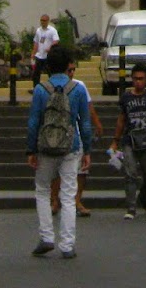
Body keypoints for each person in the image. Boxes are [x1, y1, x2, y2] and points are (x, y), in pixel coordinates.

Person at [26, 45, 94, 259]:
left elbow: (33, 122)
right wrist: (87, 150)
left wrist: (31, 149)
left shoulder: (40, 89)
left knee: (43, 190)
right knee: (68, 194)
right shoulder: (78, 89)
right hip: (70, 147)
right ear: (68, 66)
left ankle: (46, 237)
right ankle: (67, 244)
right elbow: (85, 123)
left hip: (46, 147)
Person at [110, 62, 146, 219]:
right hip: (129, 140)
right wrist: (115, 140)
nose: (138, 82)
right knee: (130, 173)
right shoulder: (126, 97)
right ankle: (131, 207)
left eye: (141, 79)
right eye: (135, 79)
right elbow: (121, 119)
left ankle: (143, 196)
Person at [53, 56, 105, 218]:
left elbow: (88, 108)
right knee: (56, 170)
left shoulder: (79, 86)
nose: (72, 73)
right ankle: (54, 201)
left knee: (82, 170)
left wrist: (96, 124)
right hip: (57, 133)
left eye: (74, 70)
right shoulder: (52, 86)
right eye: (69, 70)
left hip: (77, 134)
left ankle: (77, 200)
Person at [32, 14, 58, 83]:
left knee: (50, 72)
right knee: (36, 73)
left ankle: (54, 86)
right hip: (39, 55)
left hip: (47, 55)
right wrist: (33, 53)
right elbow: (36, 42)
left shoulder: (52, 30)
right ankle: (36, 87)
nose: (42, 22)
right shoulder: (38, 30)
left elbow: (56, 41)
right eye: (41, 20)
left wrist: (50, 48)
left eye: (44, 20)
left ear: (47, 21)